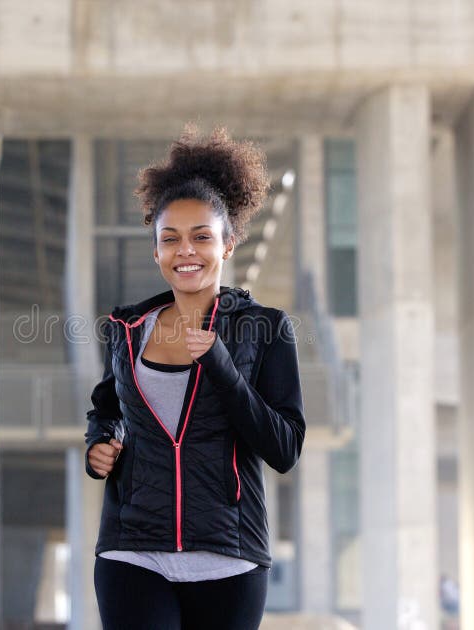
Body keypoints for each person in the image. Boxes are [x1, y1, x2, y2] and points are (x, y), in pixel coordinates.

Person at [84, 124, 306, 630]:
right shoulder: (126, 329)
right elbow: (109, 411)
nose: (186, 250)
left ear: (228, 245)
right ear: (156, 251)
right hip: (131, 551)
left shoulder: (265, 329)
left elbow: (284, 448)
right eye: (171, 239)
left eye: (201, 236)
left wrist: (221, 366)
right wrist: (100, 444)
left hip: (228, 556)